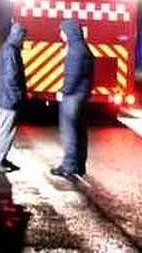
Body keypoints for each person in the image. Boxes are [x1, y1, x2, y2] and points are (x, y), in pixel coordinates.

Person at [50, 19, 94, 179]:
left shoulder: (75, 50)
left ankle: (69, 166)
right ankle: (79, 165)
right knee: (80, 131)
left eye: (62, 31)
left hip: (72, 96)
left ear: (69, 32)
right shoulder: (84, 48)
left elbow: (73, 74)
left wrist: (64, 90)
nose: (61, 34)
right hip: (81, 95)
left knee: (69, 132)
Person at [0, 21, 26, 173]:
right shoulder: (11, 51)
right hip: (9, 98)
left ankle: (1, 158)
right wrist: (19, 93)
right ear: (18, 36)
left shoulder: (8, 48)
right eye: (23, 37)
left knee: (6, 129)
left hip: (5, 97)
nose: (24, 40)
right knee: (6, 130)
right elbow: (12, 77)